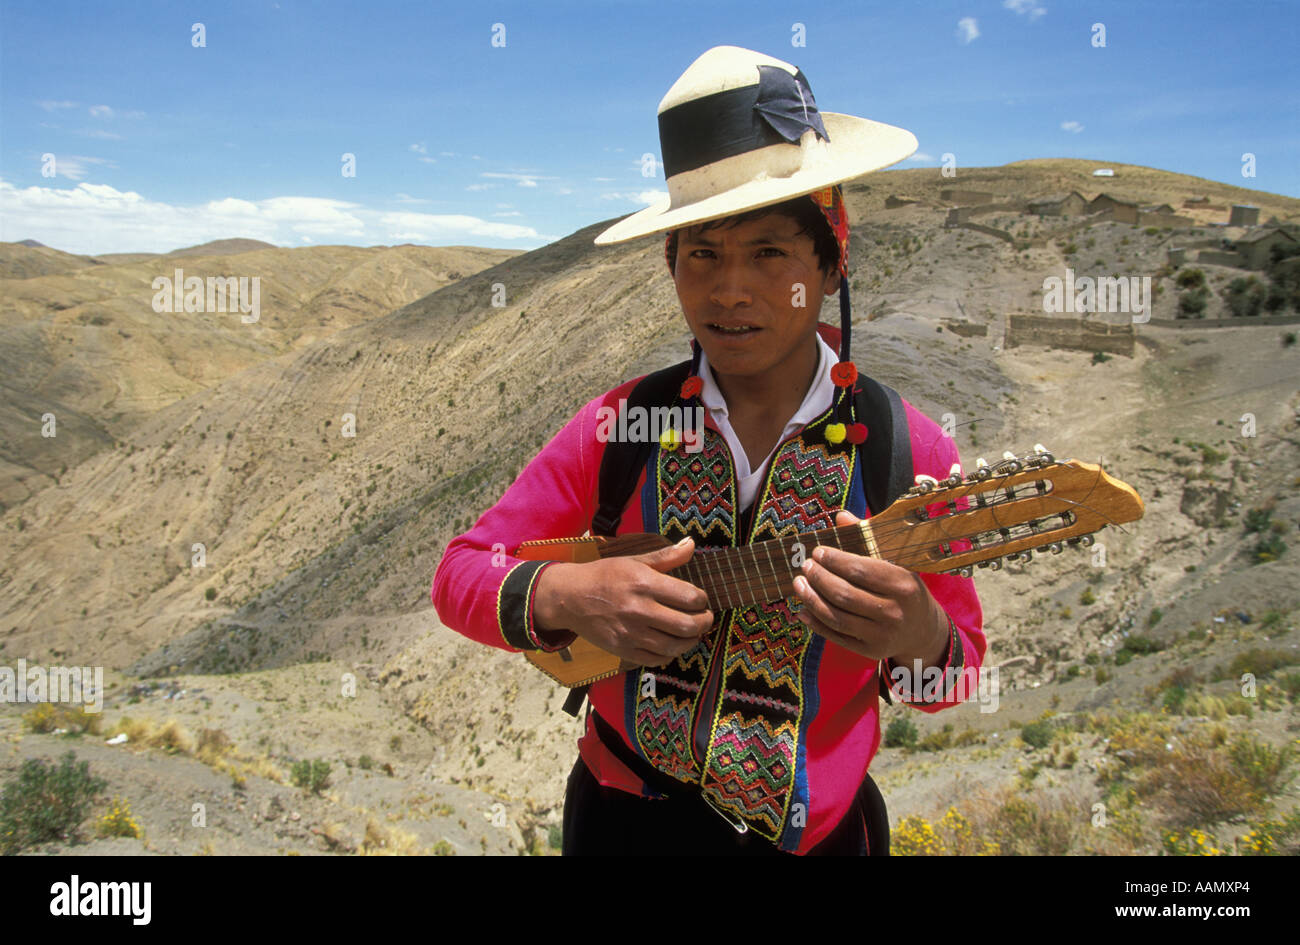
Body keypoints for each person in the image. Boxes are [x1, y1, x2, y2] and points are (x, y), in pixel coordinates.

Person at [432, 45, 985, 855]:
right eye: (703, 255)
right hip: (622, 825)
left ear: (831, 261)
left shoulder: (906, 451)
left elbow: (954, 676)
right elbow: (460, 572)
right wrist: (568, 595)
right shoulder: (624, 427)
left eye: (770, 253)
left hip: (817, 840)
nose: (730, 291)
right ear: (672, 265)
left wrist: (919, 631)